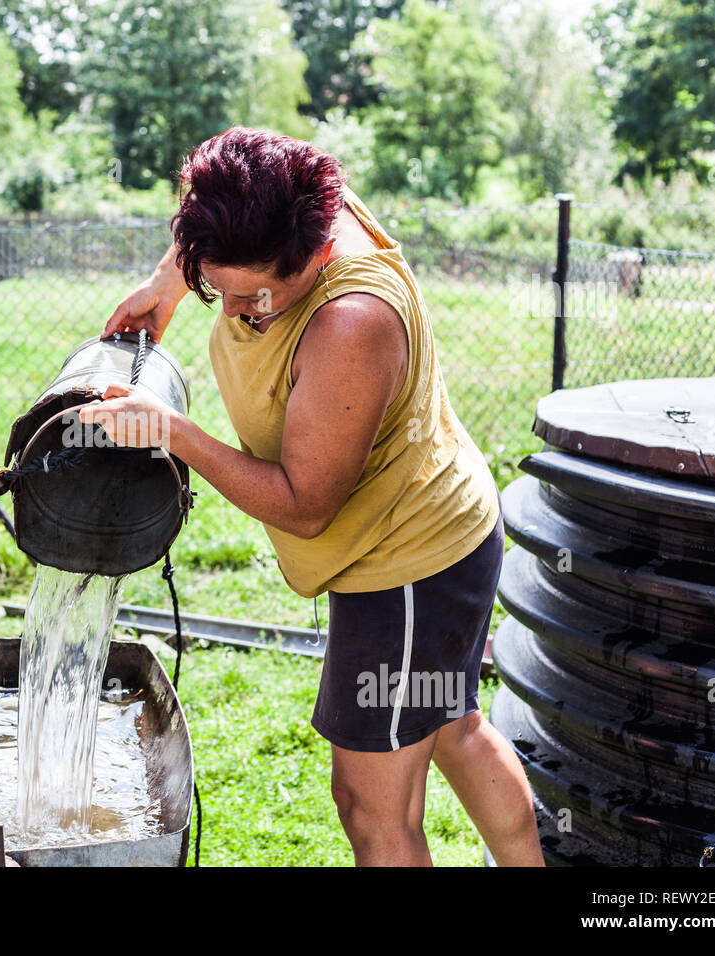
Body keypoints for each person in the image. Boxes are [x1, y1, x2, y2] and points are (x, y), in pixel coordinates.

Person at [77, 127, 543, 867]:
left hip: (406, 564)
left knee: (372, 811)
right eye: (215, 289)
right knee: (450, 724)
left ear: (315, 254)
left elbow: (304, 503)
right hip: (438, 533)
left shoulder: (350, 323)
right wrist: (171, 281)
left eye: (252, 297)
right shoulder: (288, 198)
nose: (230, 312)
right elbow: (216, 194)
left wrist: (177, 436)